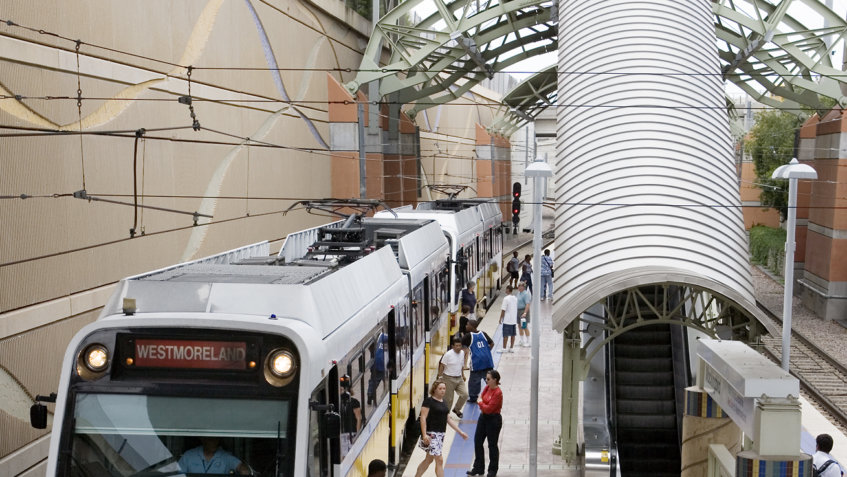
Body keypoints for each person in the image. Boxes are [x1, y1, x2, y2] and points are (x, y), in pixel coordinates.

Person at [415, 381, 469, 477]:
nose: (443, 391)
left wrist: (460, 432)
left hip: (440, 435)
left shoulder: (444, 402)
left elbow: (448, 419)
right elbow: (423, 418)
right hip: (431, 434)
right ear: (435, 389)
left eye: (444, 388)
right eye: (440, 389)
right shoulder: (429, 401)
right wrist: (424, 435)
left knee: (429, 460)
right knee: (439, 460)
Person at [467, 370, 503, 477]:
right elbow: (480, 398)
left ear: (495, 380)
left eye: (488, 379)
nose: (486, 381)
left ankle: (492, 470)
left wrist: (481, 403)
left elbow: (489, 408)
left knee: (492, 445)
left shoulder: (498, 393)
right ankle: (478, 467)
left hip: (493, 420)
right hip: (483, 418)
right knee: (478, 441)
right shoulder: (487, 388)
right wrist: (482, 403)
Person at [178, 437, 249, 475]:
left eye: (217, 439)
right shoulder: (189, 455)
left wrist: (243, 470)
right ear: (203, 439)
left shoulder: (226, 456)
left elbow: (241, 467)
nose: (214, 442)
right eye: (211, 439)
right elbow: (176, 474)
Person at [462, 320, 494, 402]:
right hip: (487, 361)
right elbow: (492, 343)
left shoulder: (468, 336)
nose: (466, 326)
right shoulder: (483, 333)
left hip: (477, 363)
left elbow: (460, 344)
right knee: (489, 379)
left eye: (467, 324)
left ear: (472, 326)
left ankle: (473, 397)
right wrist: (486, 351)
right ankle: (493, 395)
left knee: (474, 381)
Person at [438, 336, 469, 418]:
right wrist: (440, 377)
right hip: (448, 378)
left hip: (459, 378)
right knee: (449, 399)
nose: (459, 347)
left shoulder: (462, 353)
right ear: (453, 346)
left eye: (460, 345)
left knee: (465, 395)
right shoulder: (448, 355)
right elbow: (442, 365)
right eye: (457, 346)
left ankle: (456, 409)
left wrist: (463, 375)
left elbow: (461, 364)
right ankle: (446, 415)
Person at [498, 285, 518, 353]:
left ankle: (504, 348)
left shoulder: (506, 298)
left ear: (508, 290)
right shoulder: (515, 298)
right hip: (513, 320)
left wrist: (500, 318)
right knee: (513, 334)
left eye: (506, 289)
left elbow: (503, 310)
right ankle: (511, 348)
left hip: (507, 320)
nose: (505, 290)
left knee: (505, 335)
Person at [516, 282, 531, 347]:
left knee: (524, 326)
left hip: (523, 311)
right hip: (518, 311)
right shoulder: (518, 293)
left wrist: (525, 313)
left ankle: (528, 341)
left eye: (520, 286)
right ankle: (522, 340)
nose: (519, 287)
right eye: (518, 286)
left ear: (523, 287)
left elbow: (527, 304)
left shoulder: (525, 294)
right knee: (519, 326)